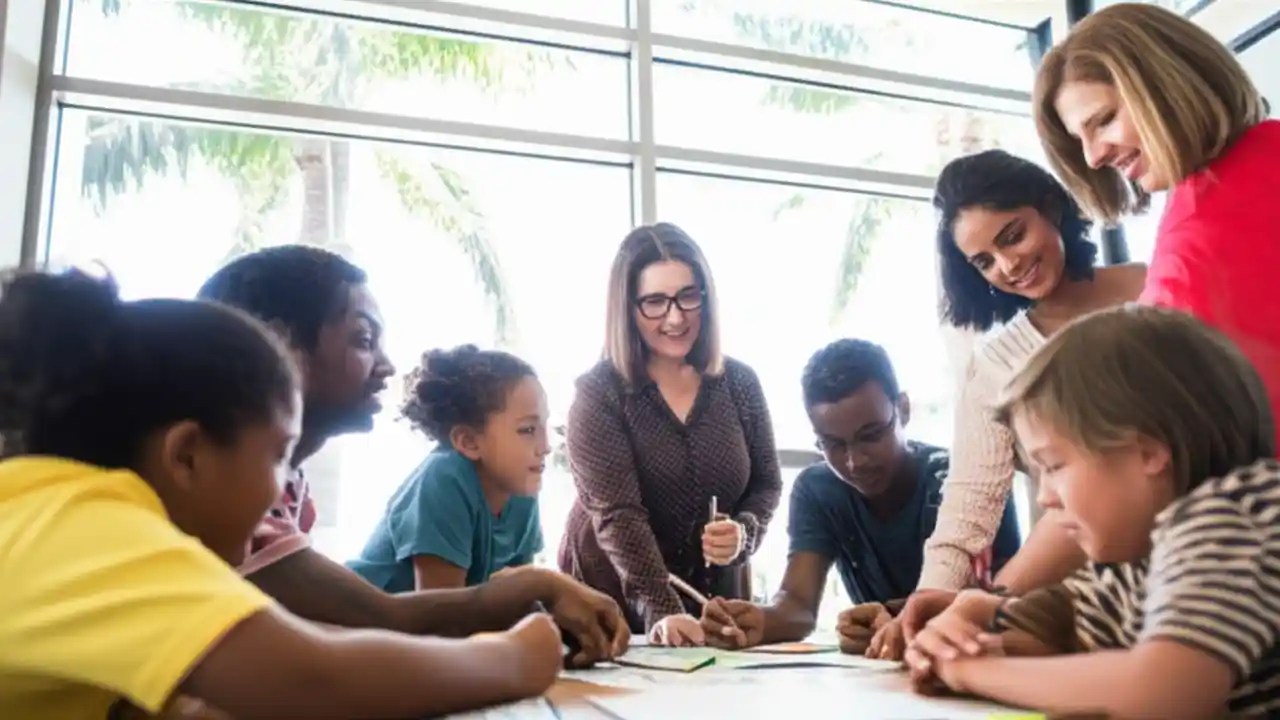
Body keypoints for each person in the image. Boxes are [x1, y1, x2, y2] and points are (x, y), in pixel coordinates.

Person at [0, 269, 561, 719]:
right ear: (187, 455)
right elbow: (313, 678)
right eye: (277, 455)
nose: (282, 487)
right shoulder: (95, 532)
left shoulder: (43, 514)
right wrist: (513, 658)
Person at [199, 246, 627, 666]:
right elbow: (385, 618)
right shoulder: (230, 496)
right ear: (279, 348)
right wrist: (539, 593)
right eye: (364, 339)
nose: (386, 365)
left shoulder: (289, 489)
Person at [902, 306, 1278, 719]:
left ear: (1148, 452)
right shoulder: (1134, 561)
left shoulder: (1229, 520)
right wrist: (966, 634)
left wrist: (972, 670)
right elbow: (1058, 640)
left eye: (1053, 466)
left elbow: (1167, 692)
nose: (1045, 498)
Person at [876, 151, 1148, 652]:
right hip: (1088, 609)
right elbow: (969, 505)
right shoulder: (997, 364)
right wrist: (928, 603)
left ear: (1050, 206)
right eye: (983, 261)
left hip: (1213, 566)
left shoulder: (1158, 287)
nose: (1008, 266)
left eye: (1013, 236)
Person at [1034, 2, 1280, 444]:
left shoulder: (1191, 252)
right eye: (1079, 139)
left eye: (1104, 120)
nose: (1093, 156)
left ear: (1166, 85)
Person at [697, 339, 1020, 655]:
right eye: (833, 444)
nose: (854, 461)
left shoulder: (969, 482)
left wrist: (894, 614)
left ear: (903, 409)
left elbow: (1004, 596)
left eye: (871, 435)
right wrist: (760, 621)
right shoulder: (819, 489)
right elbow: (797, 605)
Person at [560, 223, 783, 646]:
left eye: (688, 296)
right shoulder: (598, 394)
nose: (676, 317)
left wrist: (743, 533)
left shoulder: (739, 383)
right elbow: (618, 516)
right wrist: (663, 609)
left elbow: (766, 484)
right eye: (655, 302)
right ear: (627, 308)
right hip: (609, 605)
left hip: (712, 603)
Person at [349, 345, 546, 591]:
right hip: (355, 611)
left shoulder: (520, 488)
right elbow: (441, 607)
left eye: (544, 426)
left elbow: (520, 598)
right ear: (468, 441)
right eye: (527, 430)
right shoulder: (445, 479)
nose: (545, 446)